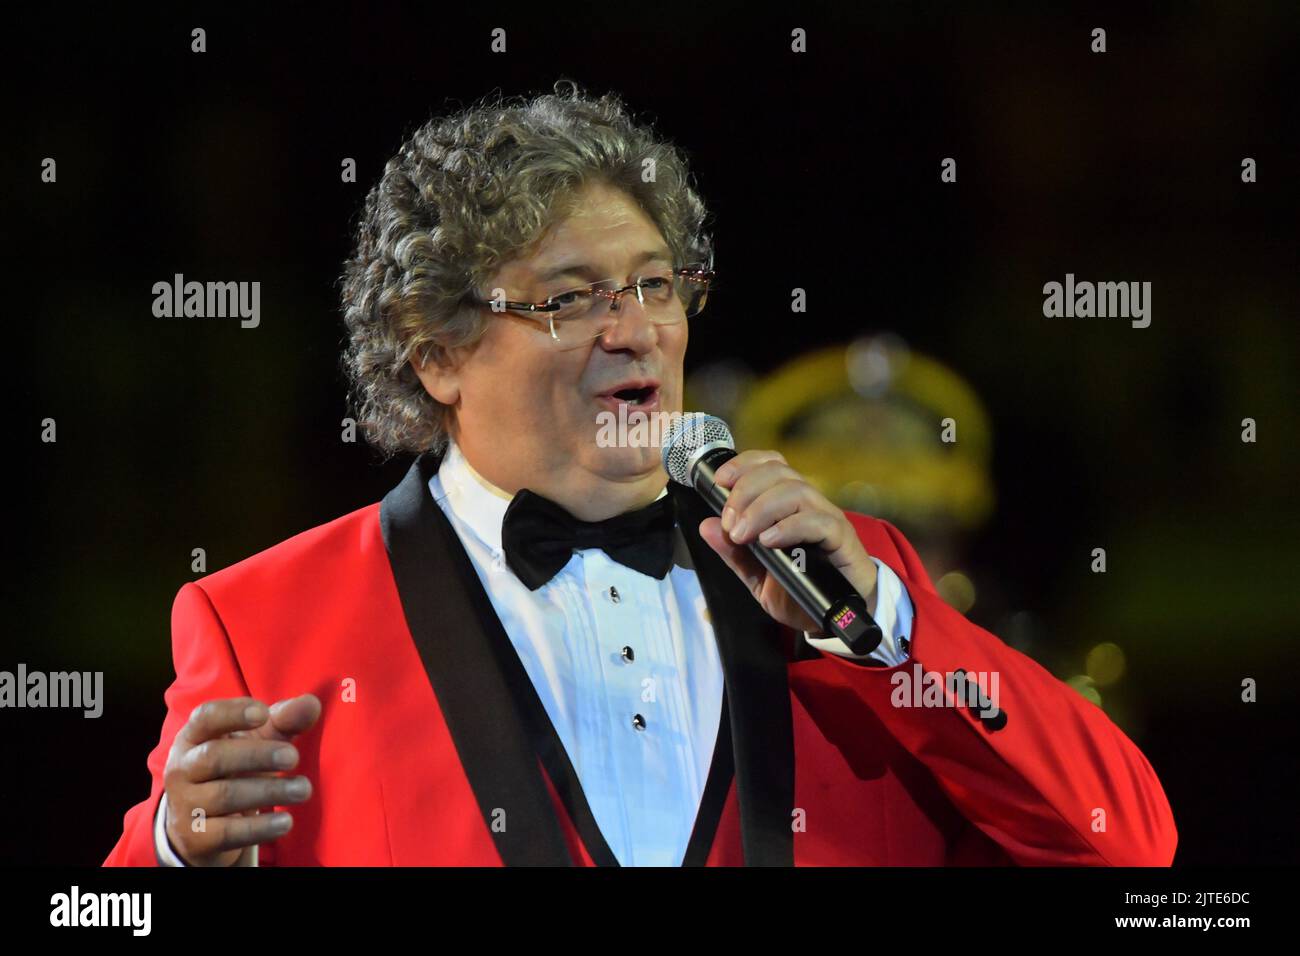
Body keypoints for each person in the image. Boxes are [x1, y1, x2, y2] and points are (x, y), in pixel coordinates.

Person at [103, 81, 1176, 867]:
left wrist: (891, 627)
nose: (637, 330)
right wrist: (171, 852)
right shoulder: (261, 620)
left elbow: (1127, 843)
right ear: (434, 352)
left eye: (656, 284)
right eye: (571, 297)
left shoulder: (844, 580)